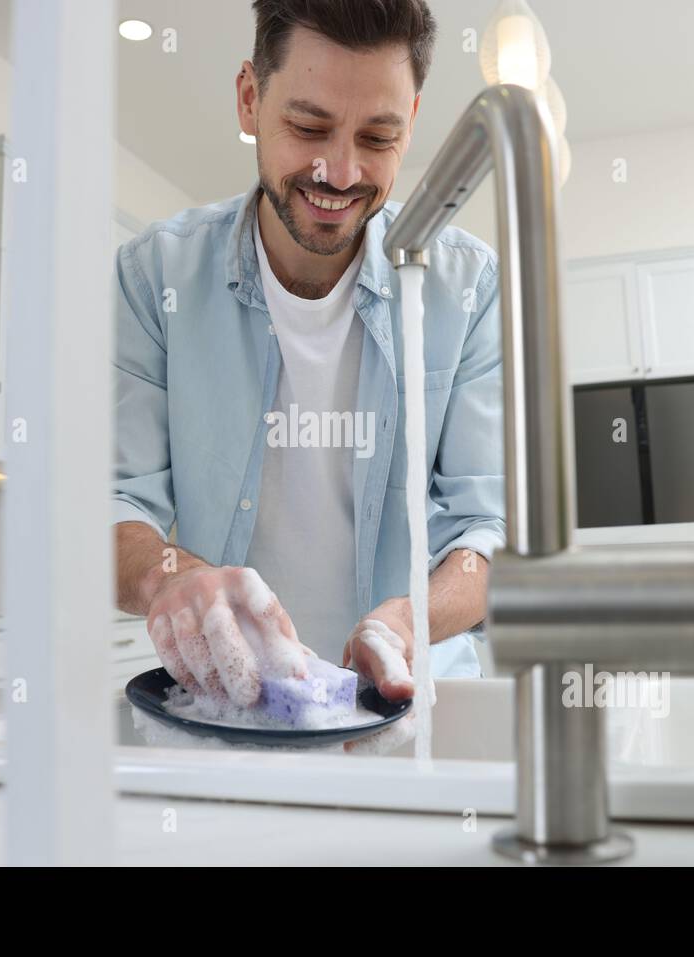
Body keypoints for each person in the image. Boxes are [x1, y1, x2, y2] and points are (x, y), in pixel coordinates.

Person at [113, 0, 503, 720]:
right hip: (229, 706)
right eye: (309, 127)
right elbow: (110, 505)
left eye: (378, 137)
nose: (340, 170)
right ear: (249, 99)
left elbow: (492, 529)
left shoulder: (468, 288)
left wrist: (408, 624)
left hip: (417, 705)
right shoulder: (153, 277)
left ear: (411, 122)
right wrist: (174, 577)